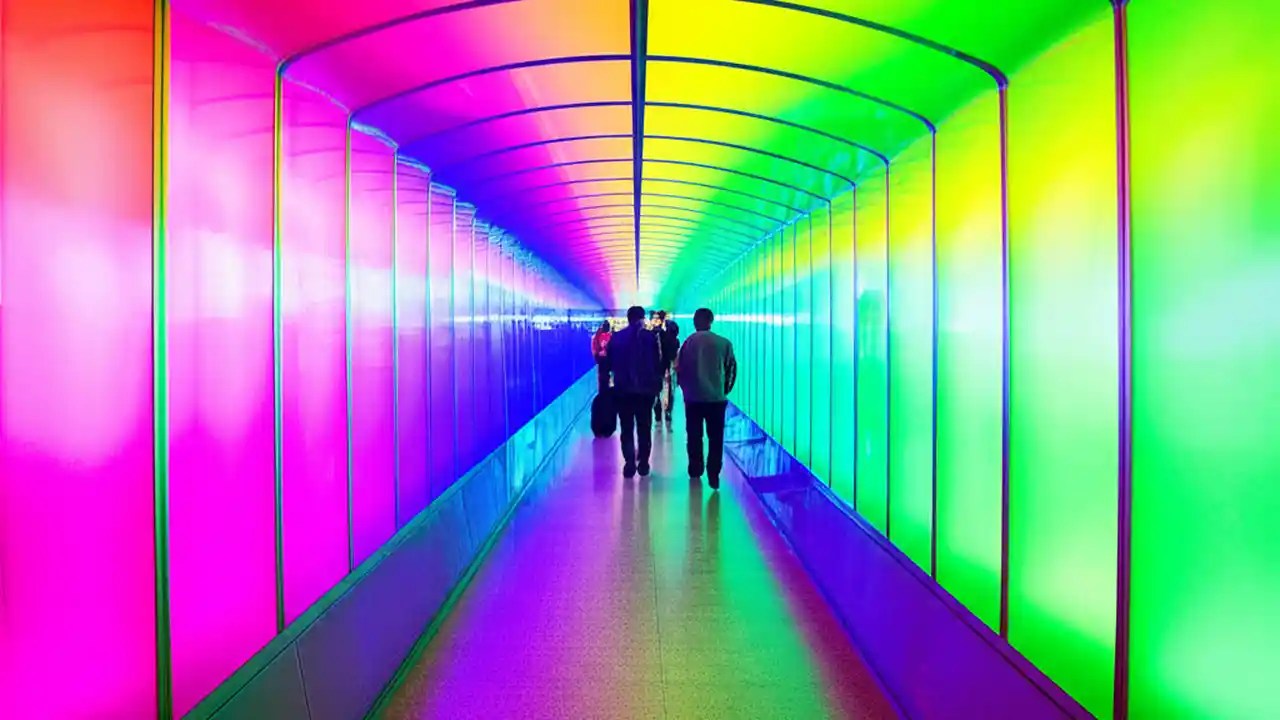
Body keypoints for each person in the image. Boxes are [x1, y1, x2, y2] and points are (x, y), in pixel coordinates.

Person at [676, 308, 737, 490]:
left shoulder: (687, 343)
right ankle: (714, 474)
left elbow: (679, 369)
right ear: (711, 321)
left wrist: (686, 390)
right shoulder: (724, 343)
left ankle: (695, 469)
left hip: (693, 399)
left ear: (695, 323)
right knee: (715, 437)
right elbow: (732, 370)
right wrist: (723, 390)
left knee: (694, 435)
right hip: (716, 399)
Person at [608, 305, 663, 478]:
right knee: (644, 427)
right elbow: (657, 364)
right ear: (642, 318)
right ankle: (644, 463)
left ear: (628, 318)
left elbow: (609, 363)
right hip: (645, 392)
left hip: (623, 391)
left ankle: (629, 463)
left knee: (626, 428)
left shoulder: (616, 337)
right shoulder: (651, 338)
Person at [654, 317, 680, 426]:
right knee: (670, 391)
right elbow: (675, 356)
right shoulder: (676, 341)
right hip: (670, 367)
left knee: (657, 391)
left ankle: (658, 412)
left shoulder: (662, 337)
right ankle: (668, 412)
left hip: (659, 366)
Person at [591, 320, 612, 392]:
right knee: (605, 376)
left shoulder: (596, 336)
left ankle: (602, 391)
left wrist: (596, 357)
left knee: (602, 376)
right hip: (605, 359)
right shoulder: (609, 336)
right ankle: (605, 390)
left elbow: (593, 349)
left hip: (601, 359)